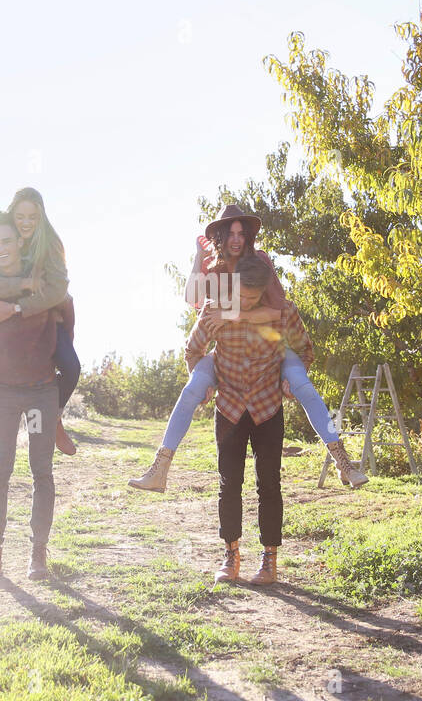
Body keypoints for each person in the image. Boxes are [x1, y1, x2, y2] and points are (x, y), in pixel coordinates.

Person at [128, 204, 367, 492]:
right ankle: (159, 470)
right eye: (230, 232)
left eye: (242, 233)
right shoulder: (213, 268)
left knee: (303, 384)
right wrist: (198, 259)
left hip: (269, 348)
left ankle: (343, 463)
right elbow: (193, 301)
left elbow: (279, 308)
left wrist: (233, 313)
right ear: (220, 236)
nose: (237, 239)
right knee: (192, 388)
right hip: (228, 350)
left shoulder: (261, 260)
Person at [0, 211, 73, 582]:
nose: (1, 248)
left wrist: (59, 345)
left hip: (40, 393)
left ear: (19, 241)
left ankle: (38, 554)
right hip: (3, 395)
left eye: (7, 240)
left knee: (41, 470)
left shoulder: (40, 280)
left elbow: (66, 307)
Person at [185, 255, 311, 585]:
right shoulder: (214, 309)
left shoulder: (283, 312)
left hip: (267, 406)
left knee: (269, 484)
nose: (246, 303)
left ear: (264, 290)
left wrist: (291, 380)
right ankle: (231, 555)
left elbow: (305, 349)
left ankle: (269, 561)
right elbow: (193, 349)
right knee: (229, 484)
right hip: (229, 407)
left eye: (253, 298)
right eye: (241, 296)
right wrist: (205, 382)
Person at [0, 187, 80, 455]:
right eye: (21, 216)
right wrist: (24, 284)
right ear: (12, 215)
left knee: (71, 366)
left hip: (42, 316)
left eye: (33, 216)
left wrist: (19, 307)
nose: (26, 222)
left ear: (42, 216)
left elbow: (56, 291)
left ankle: (52, 417)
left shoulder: (50, 242)